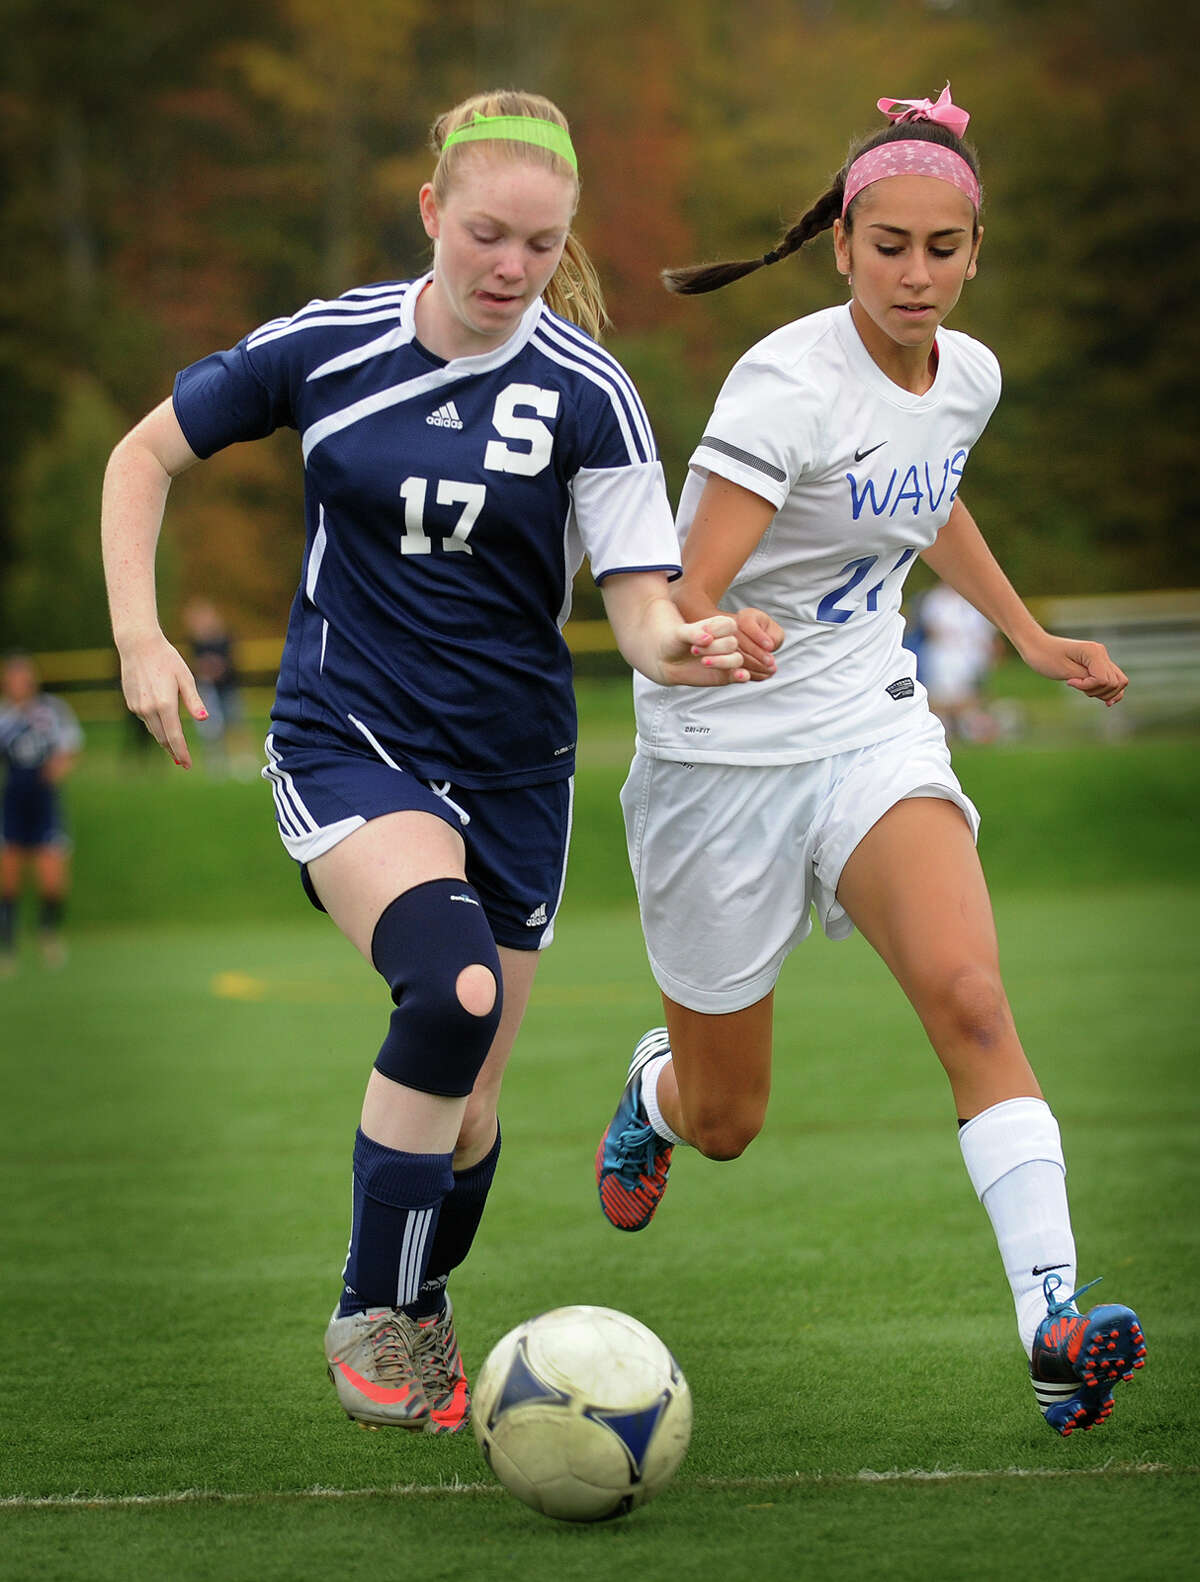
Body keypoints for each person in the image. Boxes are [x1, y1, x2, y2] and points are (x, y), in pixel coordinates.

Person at [101, 89, 753, 1436]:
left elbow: (638, 600)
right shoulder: (329, 346)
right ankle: (374, 1311)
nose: (510, 268)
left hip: (516, 769)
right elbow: (142, 456)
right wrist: (139, 634)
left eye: (540, 244)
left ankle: (425, 1294)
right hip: (352, 735)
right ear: (429, 214)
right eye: (486, 235)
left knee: (465, 1111)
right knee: (449, 991)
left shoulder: (593, 394)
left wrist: (683, 643)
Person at [595, 87, 1147, 1438]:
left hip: (868, 723)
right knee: (729, 1116)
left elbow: (927, 486)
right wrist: (717, 632)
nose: (916, 274)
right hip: (719, 753)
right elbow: (675, 597)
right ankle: (651, 1093)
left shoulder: (970, 373)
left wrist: (1026, 633)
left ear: (976, 249)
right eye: (888, 245)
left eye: (942, 249)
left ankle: (1053, 1323)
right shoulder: (783, 382)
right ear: (840, 244)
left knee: (971, 995)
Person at [0, 652, 84, 973]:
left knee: (53, 881)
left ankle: (49, 935)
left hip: (46, 803)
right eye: (14, 676)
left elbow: (71, 746)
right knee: (8, 880)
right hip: (12, 804)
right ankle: (7, 945)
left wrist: (59, 766)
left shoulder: (52, 711)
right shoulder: (4, 718)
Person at [916, 579, 1003, 740]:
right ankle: (944, 731)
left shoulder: (975, 599)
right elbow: (931, 629)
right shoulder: (936, 599)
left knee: (971, 698)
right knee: (942, 697)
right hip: (944, 657)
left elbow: (987, 635)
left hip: (971, 657)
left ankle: (971, 730)